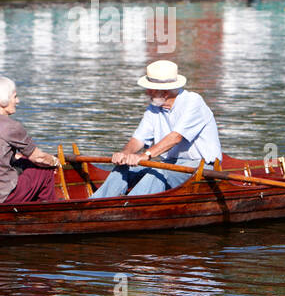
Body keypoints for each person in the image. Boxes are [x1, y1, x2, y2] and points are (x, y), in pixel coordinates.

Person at [89, 60, 222, 199]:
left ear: (164, 93)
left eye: (150, 89)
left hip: (202, 167)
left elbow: (176, 137)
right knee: (123, 168)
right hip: (171, 164)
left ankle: (127, 209)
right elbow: (138, 139)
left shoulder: (193, 102)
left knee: (158, 172)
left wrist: (144, 155)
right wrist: (124, 154)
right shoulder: (153, 108)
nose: (147, 92)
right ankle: (95, 204)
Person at [0, 76, 62, 203]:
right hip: (2, 196)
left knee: (24, 162)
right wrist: (56, 162)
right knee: (45, 170)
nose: (18, 101)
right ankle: (45, 213)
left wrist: (17, 159)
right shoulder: (11, 126)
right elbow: (39, 158)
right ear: (4, 100)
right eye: (15, 97)